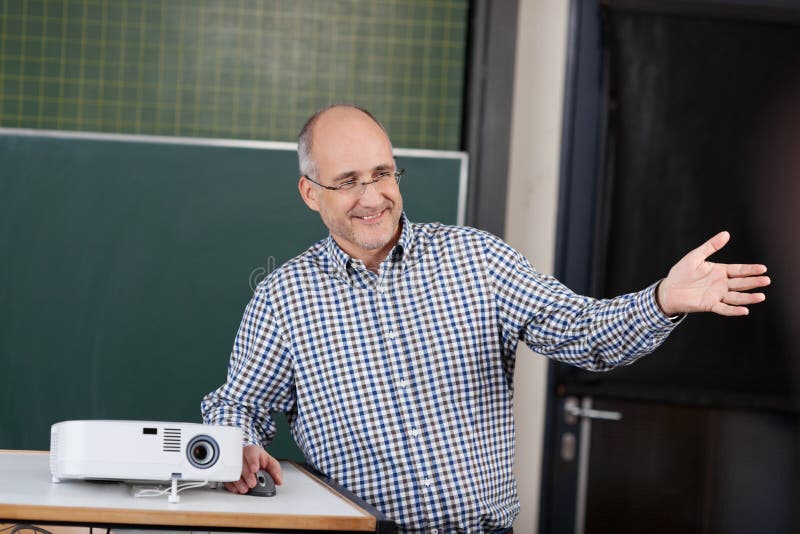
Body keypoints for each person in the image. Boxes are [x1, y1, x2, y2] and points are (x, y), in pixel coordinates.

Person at [201, 105, 770, 532]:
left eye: (382, 173)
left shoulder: (479, 261)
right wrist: (240, 445)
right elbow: (236, 406)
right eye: (347, 181)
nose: (371, 195)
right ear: (310, 193)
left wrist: (662, 300)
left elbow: (584, 334)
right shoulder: (285, 298)